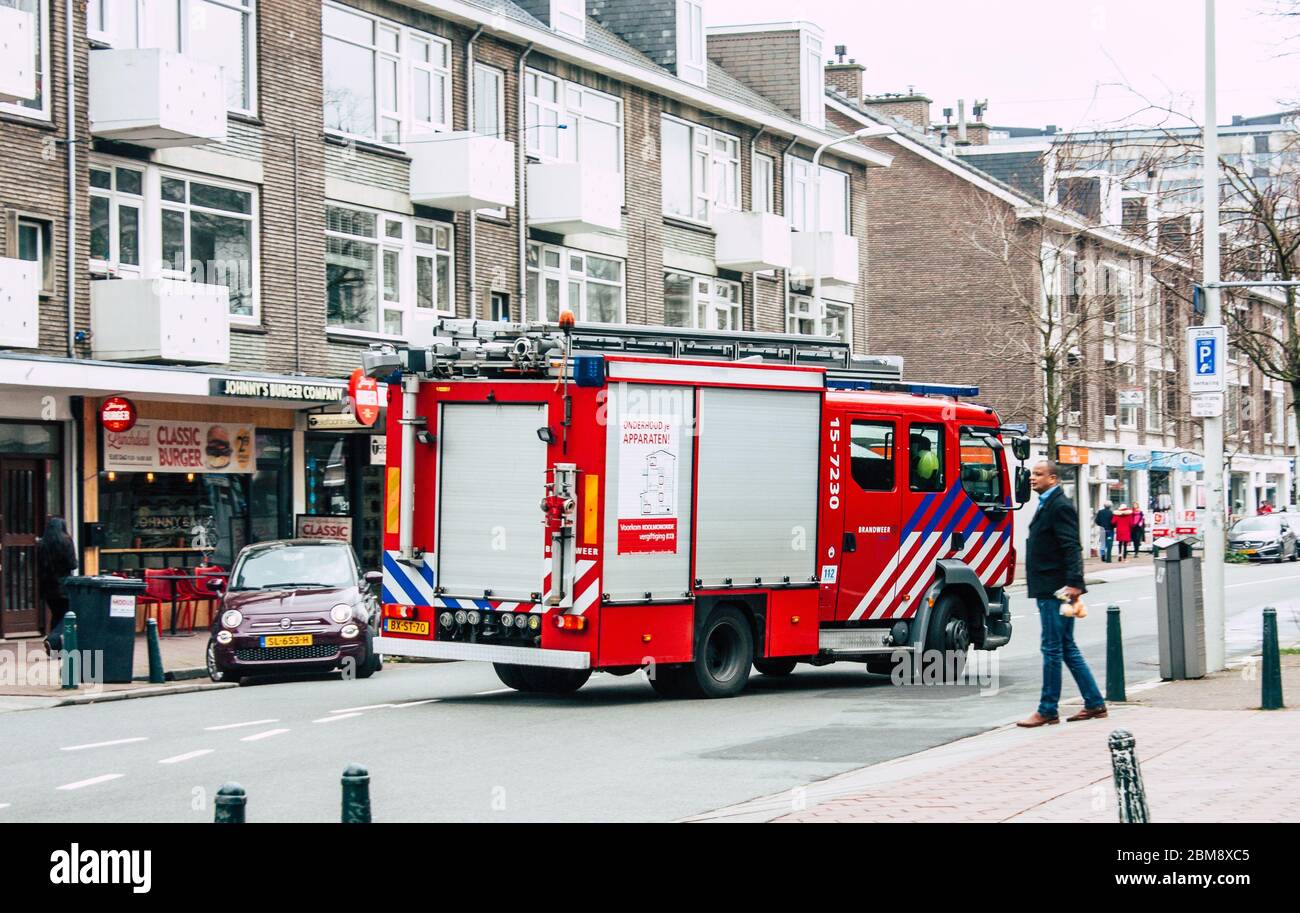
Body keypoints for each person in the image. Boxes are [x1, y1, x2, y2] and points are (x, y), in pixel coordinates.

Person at [1018, 460, 1107, 728]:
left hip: (1055, 588)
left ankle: (1047, 709)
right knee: (1066, 646)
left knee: (1052, 648)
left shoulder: (1059, 506)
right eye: (1032, 473)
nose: (1032, 478)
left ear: (1053, 479)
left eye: (1038, 474)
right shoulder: (1049, 503)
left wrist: (1074, 584)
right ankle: (1094, 703)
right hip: (1055, 585)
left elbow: (1071, 547)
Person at [37, 517, 78, 653]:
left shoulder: (42, 544)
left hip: (48, 586)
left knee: (56, 614)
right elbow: (73, 564)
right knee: (68, 615)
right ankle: (53, 639)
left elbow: (39, 566)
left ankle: (56, 650)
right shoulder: (66, 541)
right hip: (64, 585)